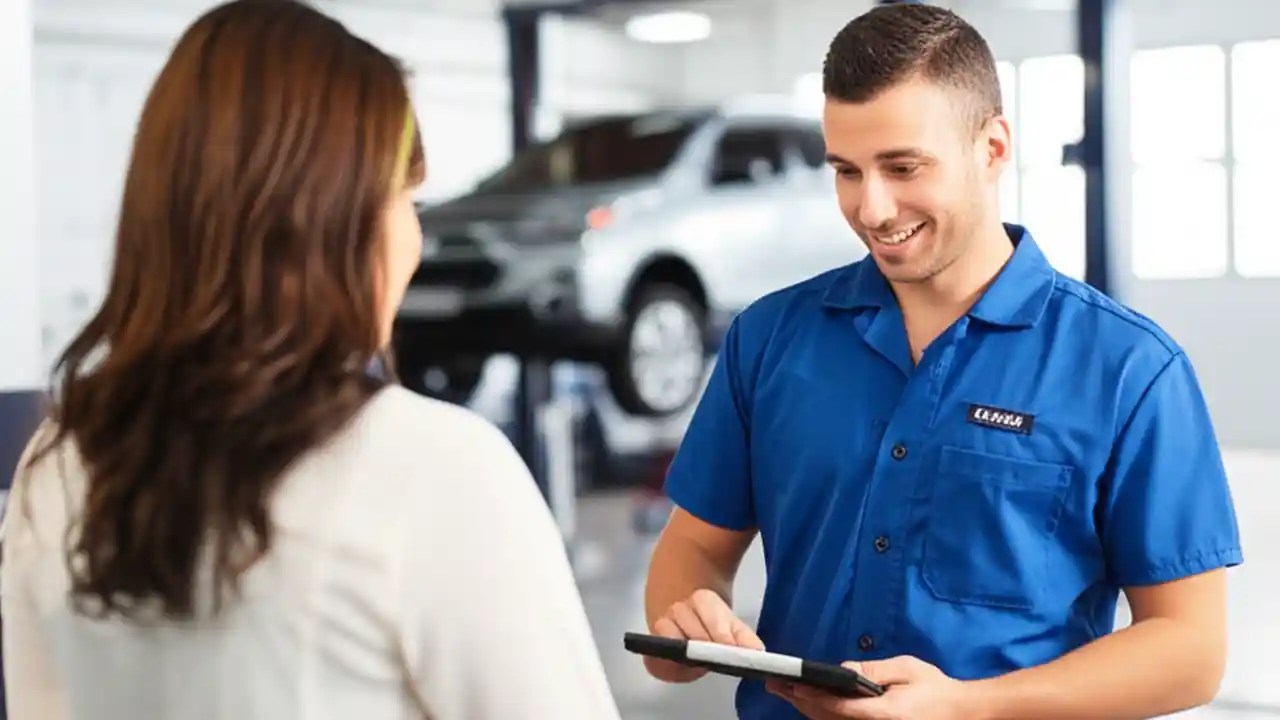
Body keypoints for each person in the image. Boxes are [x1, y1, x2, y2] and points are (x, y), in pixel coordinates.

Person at [0, 2, 621, 719]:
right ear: (335, 222)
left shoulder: (60, 457)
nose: (413, 239)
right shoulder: (436, 469)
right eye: (405, 199)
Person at [642, 4, 1242, 720]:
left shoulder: (1130, 372)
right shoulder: (768, 340)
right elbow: (695, 547)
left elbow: (1189, 649)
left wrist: (971, 706)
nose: (873, 207)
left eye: (903, 167)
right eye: (846, 171)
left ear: (991, 148)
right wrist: (684, 623)